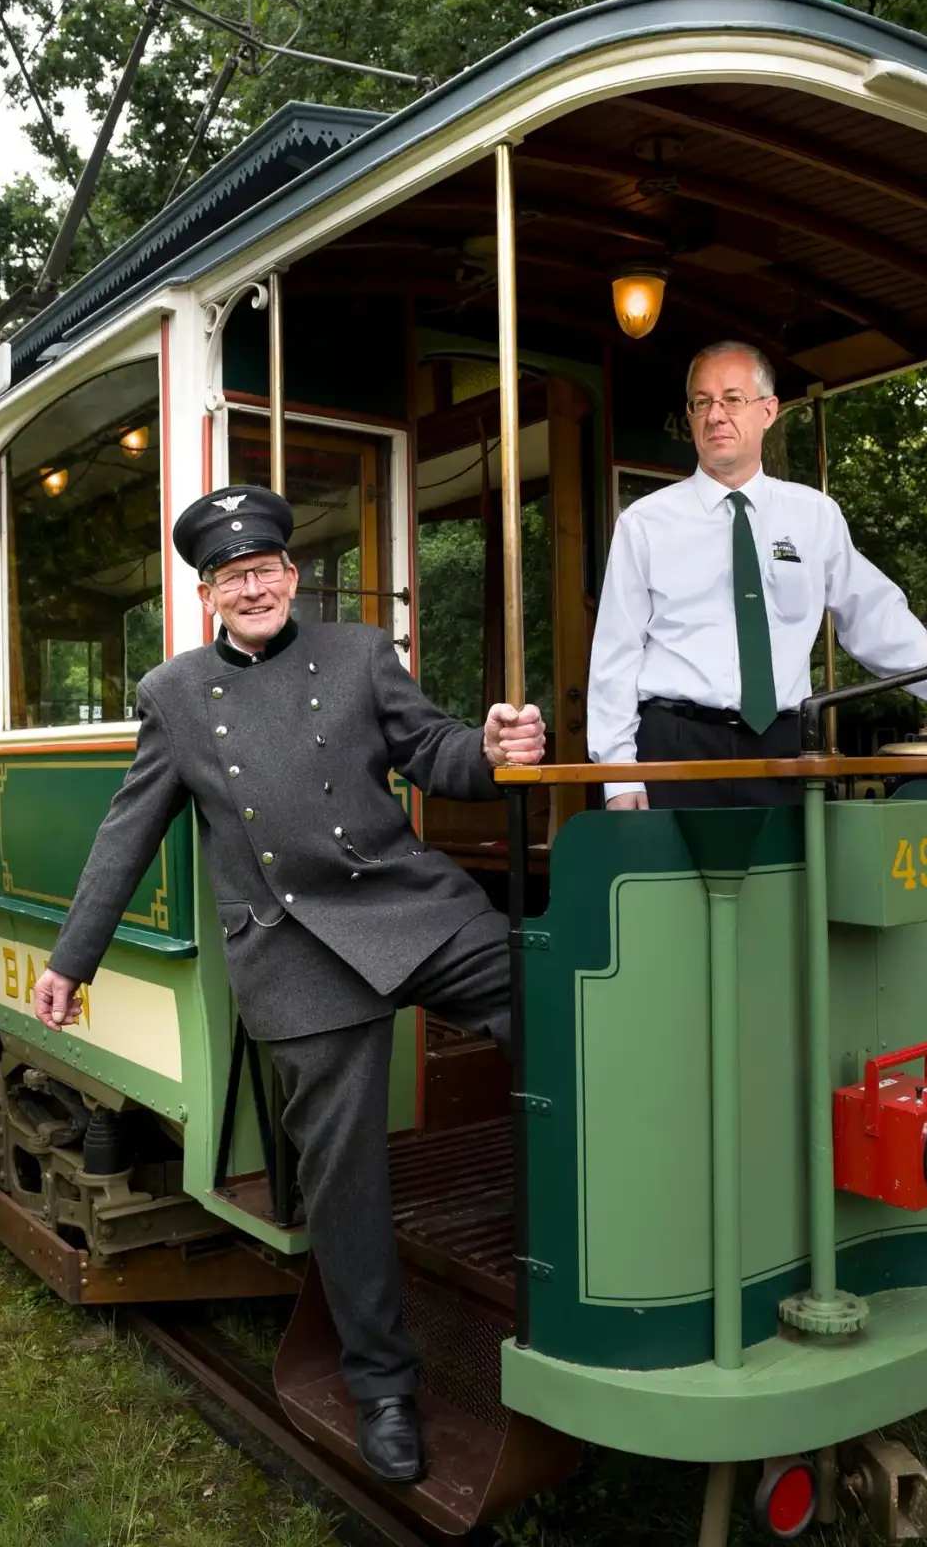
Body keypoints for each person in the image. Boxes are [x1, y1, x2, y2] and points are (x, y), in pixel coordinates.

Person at [32, 485, 544, 1485]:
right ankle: (385, 1384)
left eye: (265, 568)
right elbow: (125, 832)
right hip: (294, 944)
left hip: (409, 907)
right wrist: (70, 960)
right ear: (209, 594)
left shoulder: (358, 653)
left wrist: (489, 749)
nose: (253, 586)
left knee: (559, 1013)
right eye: (231, 577)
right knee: (344, 1175)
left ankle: (566, 1243)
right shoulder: (176, 695)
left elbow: (432, 748)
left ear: (293, 574)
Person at [588, 341, 927, 809]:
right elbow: (616, 653)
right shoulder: (645, 522)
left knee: (788, 883)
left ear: (769, 410)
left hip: (784, 750)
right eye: (702, 403)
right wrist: (618, 774)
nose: (716, 415)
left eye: (733, 399)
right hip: (674, 752)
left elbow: (875, 620)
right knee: (669, 886)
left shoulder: (813, 516)